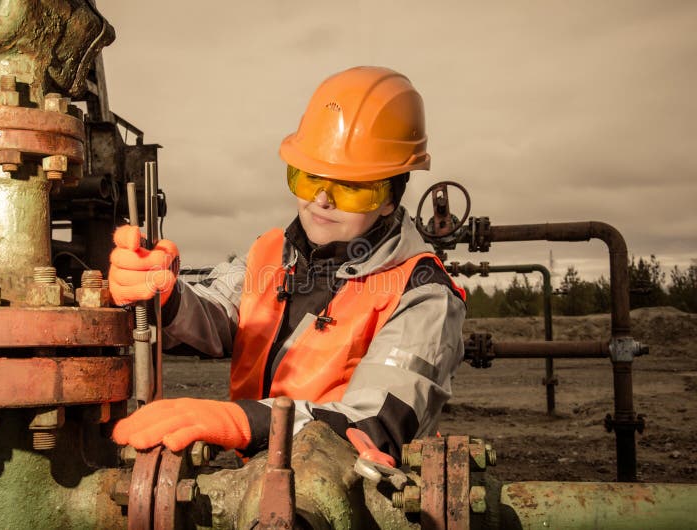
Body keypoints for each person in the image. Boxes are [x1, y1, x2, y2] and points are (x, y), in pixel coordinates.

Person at [110, 66, 466, 461]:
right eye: (309, 178)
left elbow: (375, 424)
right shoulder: (271, 250)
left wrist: (245, 423)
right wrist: (163, 294)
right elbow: (219, 315)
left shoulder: (424, 294)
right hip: (261, 470)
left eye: (350, 188)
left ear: (390, 198)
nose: (322, 200)